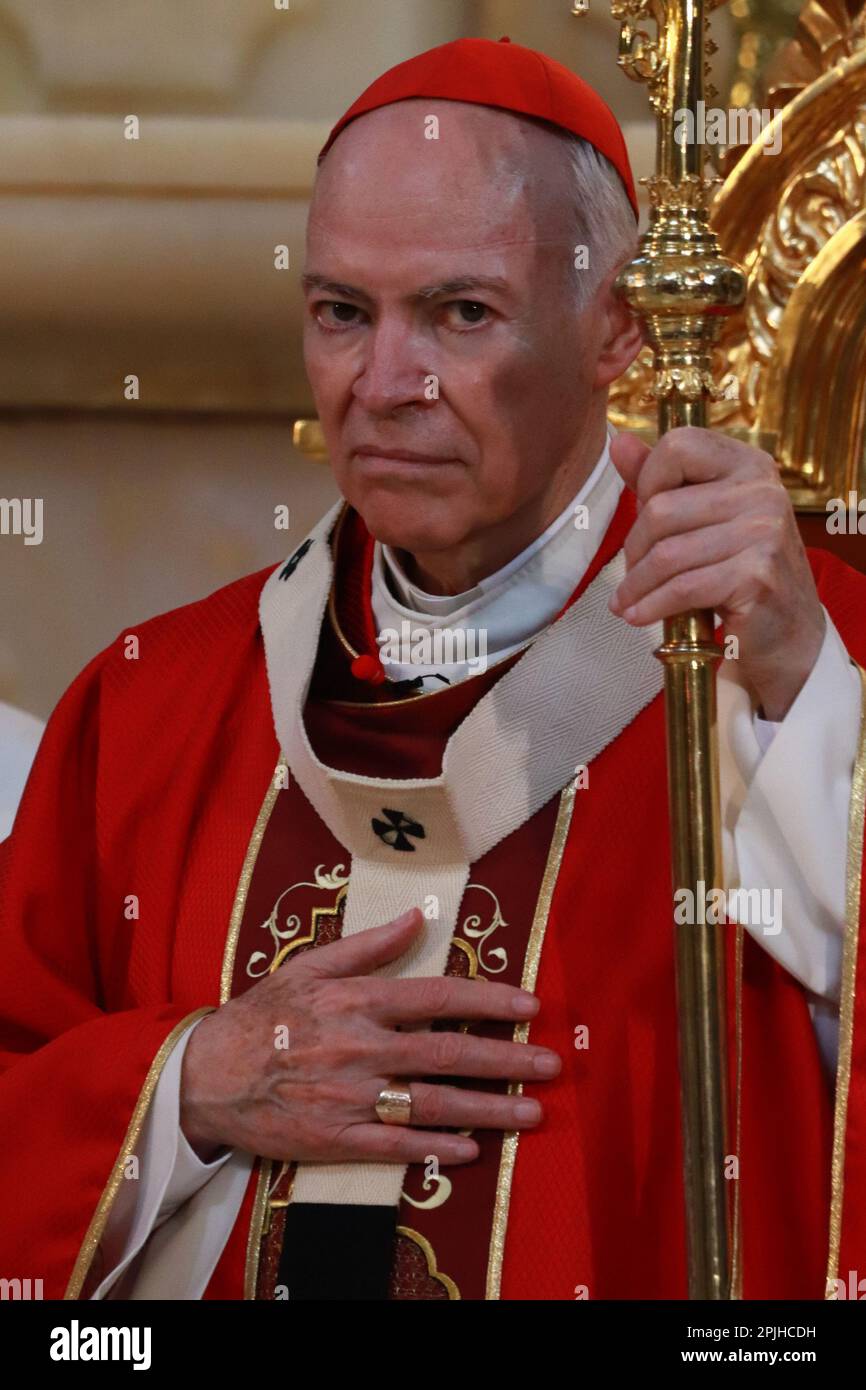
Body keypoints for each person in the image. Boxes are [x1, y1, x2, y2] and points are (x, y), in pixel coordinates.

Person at [1, 36, 864, 1302]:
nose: (383, 385)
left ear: (615, 327)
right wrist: (185, 1082)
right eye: (342, 313)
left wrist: (801, 690)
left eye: (460, 313)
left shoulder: (775, 658)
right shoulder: (147, 705)